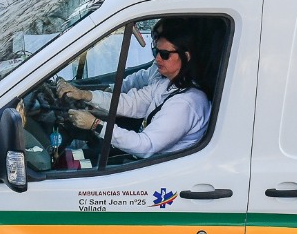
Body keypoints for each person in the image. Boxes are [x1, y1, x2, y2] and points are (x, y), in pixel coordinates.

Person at [58, 18, 210, 159]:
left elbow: (146, 146)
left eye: (164, 54)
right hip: (148, 160)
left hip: (158, 169)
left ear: (186, 56)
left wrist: (95, 125)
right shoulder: (169, 84)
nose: (157, 58)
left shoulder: (186, 103)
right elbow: (129, 102)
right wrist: (85, 95)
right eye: (156, 51)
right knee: (73, 159)